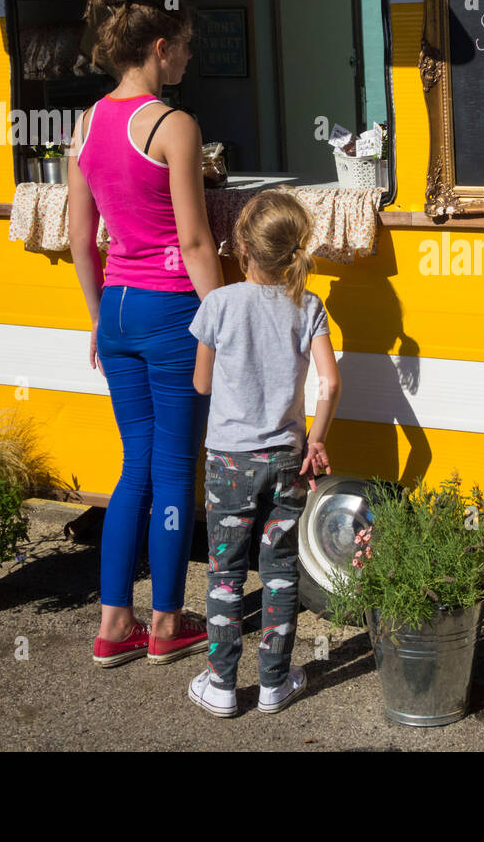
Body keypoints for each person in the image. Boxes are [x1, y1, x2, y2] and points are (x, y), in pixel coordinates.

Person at [68, 0, 223, 667]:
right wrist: (225, 324)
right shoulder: (174, 125)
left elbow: (82, 238)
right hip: (171, 313)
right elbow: (194, 244)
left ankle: (113, 624)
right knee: (175, 469)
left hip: (120, 310)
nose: (189, 58)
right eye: (185, 46)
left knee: (135, 467)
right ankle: (164, 623)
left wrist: (99, 320)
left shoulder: (88, 122)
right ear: (160, 49)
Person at [186, 190, 341, 717]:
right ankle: (275, 683)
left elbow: (201, 385)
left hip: (230, 461)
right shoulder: (309, 306)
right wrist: (316, 439)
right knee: (279, 569)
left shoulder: (219, 305)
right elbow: (331, 382)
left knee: (225, 571)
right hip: (288, 459)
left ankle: (222, 685)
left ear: (242, 248)